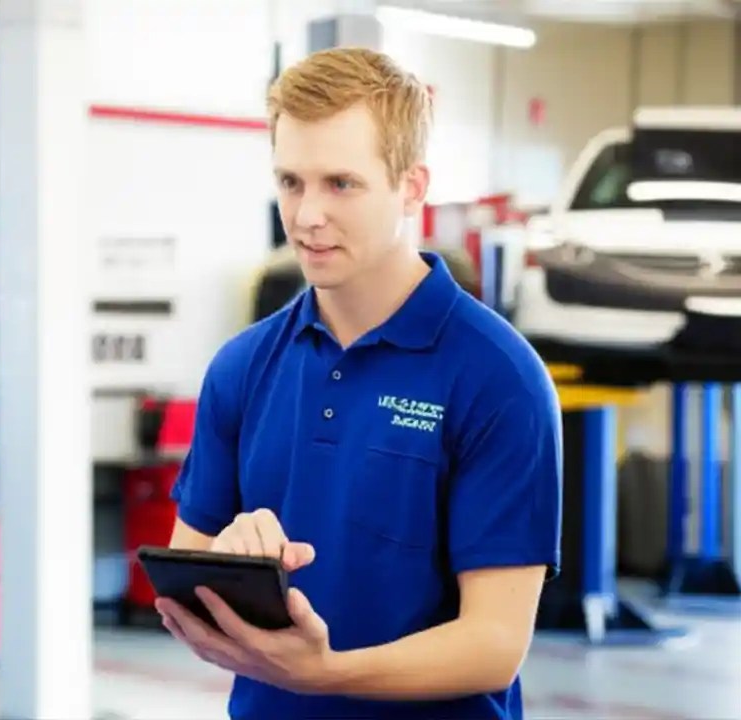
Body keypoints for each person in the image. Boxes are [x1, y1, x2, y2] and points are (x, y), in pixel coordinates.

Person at [156, 47, 562, 720]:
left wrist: (326, 674)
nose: (308, 214)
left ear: (411, 186)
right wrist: (229, 566)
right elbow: (179, 577)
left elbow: (494, 643)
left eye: (341, 183)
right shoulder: (242, 366)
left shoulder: (500, 380)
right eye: (291, 182)